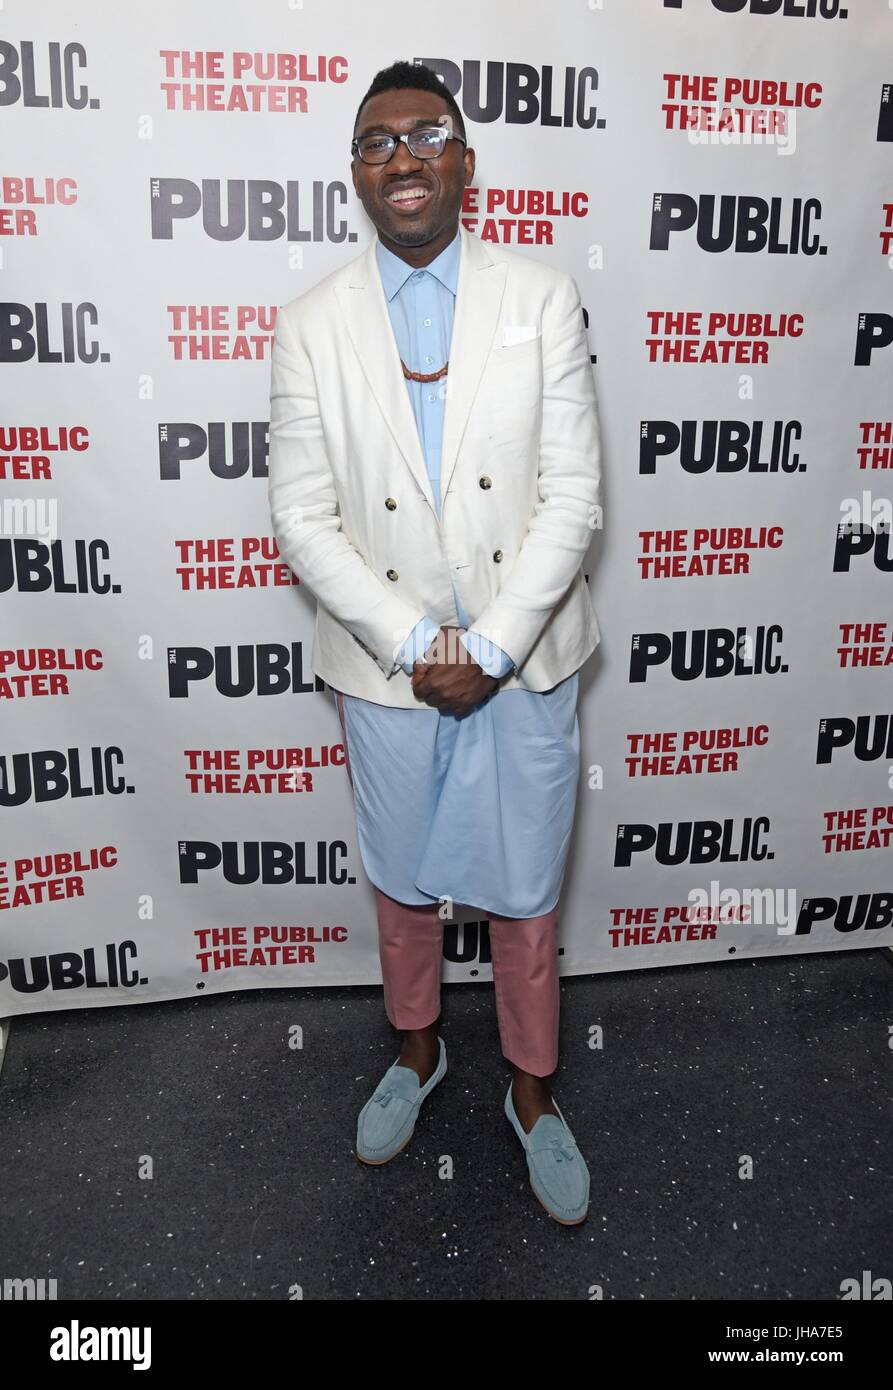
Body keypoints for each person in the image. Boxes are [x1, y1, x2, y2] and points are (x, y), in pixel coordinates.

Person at [268, 60, 602, 1225]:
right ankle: (418, 1054)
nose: (401, 156)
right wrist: (418, 641)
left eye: (426, 134)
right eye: (376, 142)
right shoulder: (310, 323)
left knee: (522, 897)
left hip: (525, 655)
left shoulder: (541, 296)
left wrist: (494, 646)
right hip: (386, 662)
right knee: (402, 887)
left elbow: (573, 497)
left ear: (464, 160)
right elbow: (301, 516)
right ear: (355, 175)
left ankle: (531, 1087)